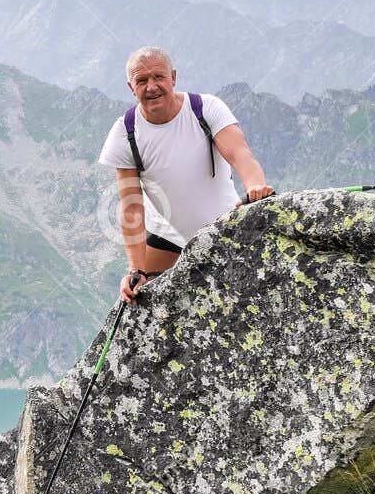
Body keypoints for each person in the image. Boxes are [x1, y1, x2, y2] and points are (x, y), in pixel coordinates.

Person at [99, 45, 274, 303]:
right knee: (138, 300)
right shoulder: (125, 132)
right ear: (131, 87)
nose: (152, 87)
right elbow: (131, 207)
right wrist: (136, 269)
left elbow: (240, 155)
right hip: (166, 239)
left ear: (173, 77)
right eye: (142, 80)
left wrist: (256, 186)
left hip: (223, 228)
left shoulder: (205, 108)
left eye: (158, 77)